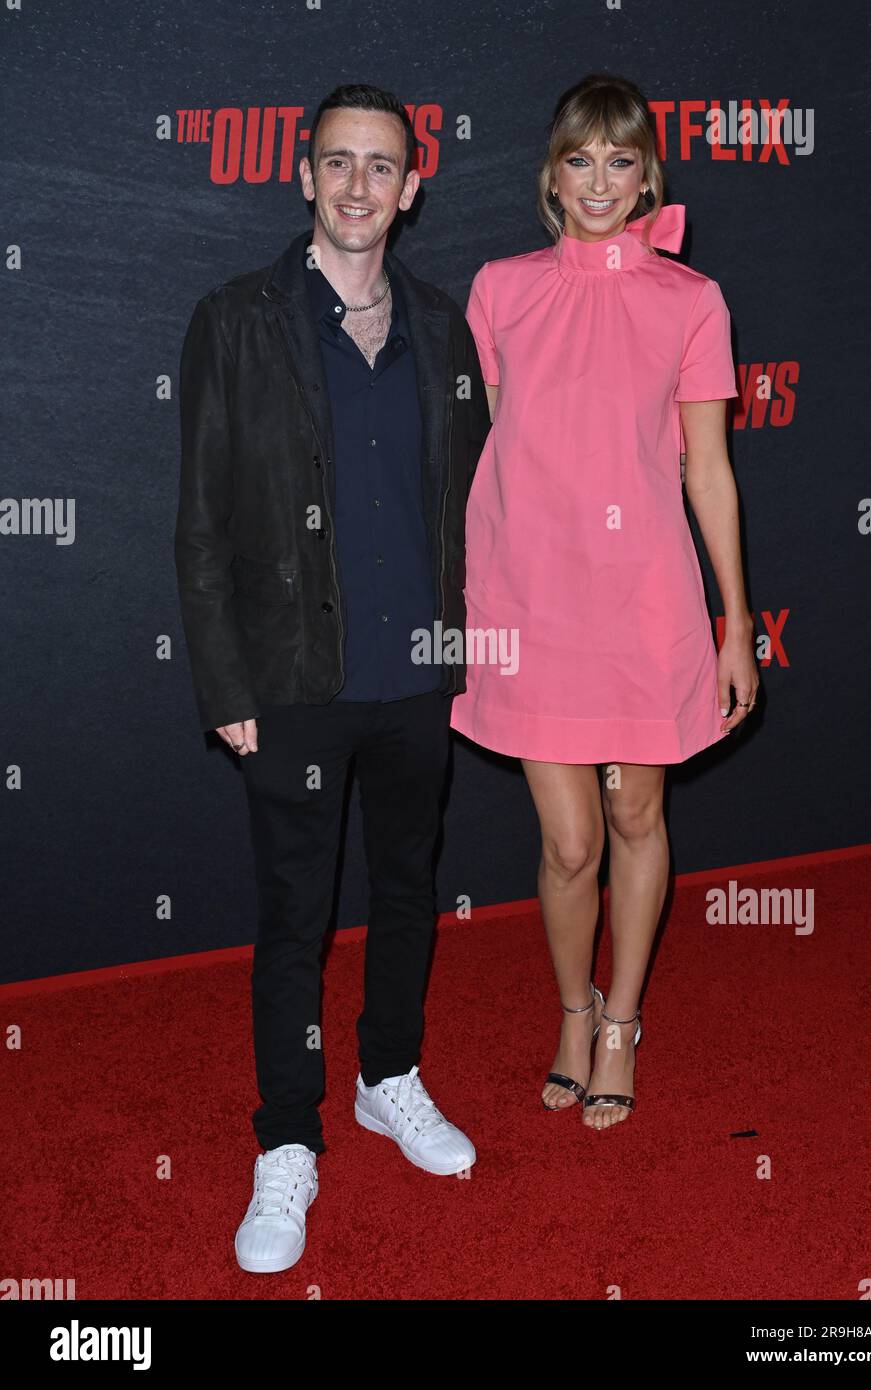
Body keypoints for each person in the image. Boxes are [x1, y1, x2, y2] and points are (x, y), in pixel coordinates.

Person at [174, 83, 490, 1273]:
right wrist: (224, 682)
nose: (360, 186)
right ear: (303, 174)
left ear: (412, 188)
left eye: (383, 167)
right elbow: (199, 524)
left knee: (407, 891)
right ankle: (288, 1138)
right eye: (338, 163)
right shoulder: (238, 320)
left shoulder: (443, 326)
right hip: (295, 675)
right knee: (294, 921)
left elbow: (477, 509)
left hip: (419, 675)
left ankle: (389, 1076)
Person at [449, 73, 759, 1131]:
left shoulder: (691, 300)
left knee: (636, 812)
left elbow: (708, 471)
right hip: (531, 600)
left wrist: (735, 623)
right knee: (569, 841)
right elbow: (498, 451)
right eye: (578, 159)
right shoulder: (499, 289)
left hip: (642, 603)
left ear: (646, 180)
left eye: (619, 161)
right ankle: (570, 1008)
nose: (598, 180)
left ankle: (619, 1021)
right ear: (551, 175)